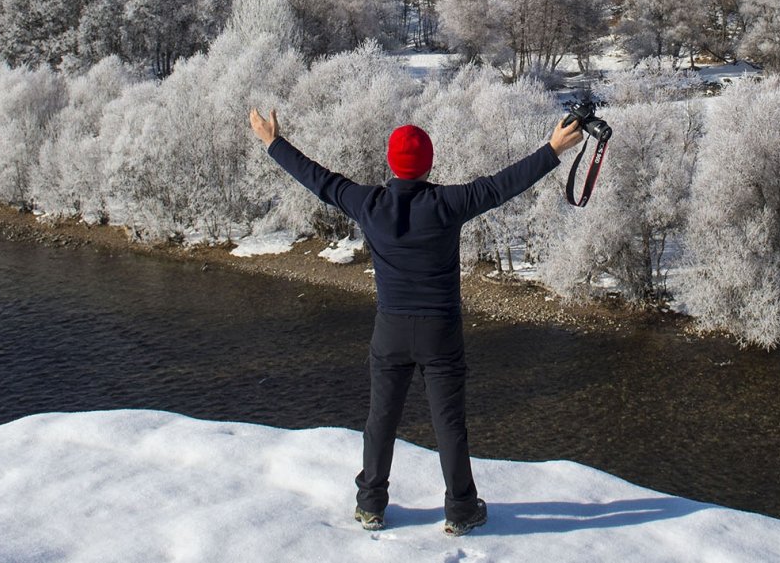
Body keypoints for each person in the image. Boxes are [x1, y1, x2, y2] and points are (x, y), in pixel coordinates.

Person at [248, 106, 584, 537]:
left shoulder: (368, 203)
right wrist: (553, 149)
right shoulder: (447, 203)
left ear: (391, 163)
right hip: (440, 333)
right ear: (429, 164)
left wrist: (273, 142)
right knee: (449, 422)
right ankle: (461, 510)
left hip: (390, 331)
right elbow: (501, 185)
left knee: (381, 420)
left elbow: (320, 180)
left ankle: (371, 505)